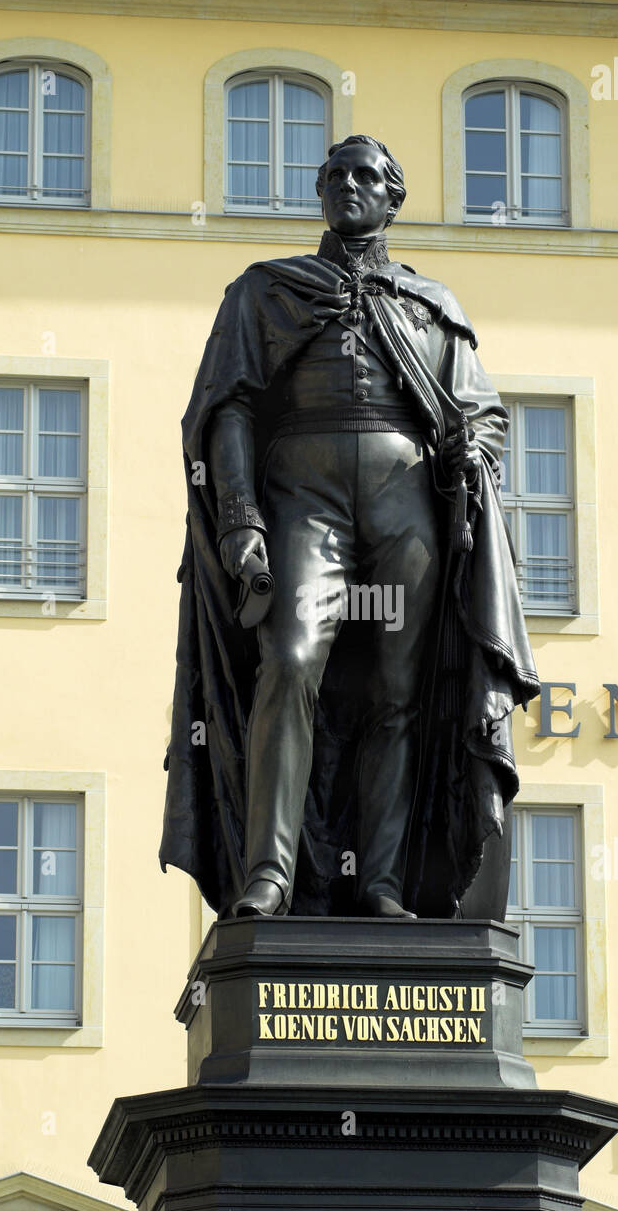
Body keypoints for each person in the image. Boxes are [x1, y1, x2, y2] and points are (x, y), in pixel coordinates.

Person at [160, 135, 539, 922]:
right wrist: (238, 516)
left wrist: (476, 442)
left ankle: (383, 882)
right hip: (305, 488)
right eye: (332, 174)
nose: (347, 186)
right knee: (290, 661)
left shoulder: (431, 302)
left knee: (399, 690)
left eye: (365, 175)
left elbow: (481, 410)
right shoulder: (266, 291)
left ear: (393, 197)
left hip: (405, 500)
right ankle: (270, 872)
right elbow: (225, 406)